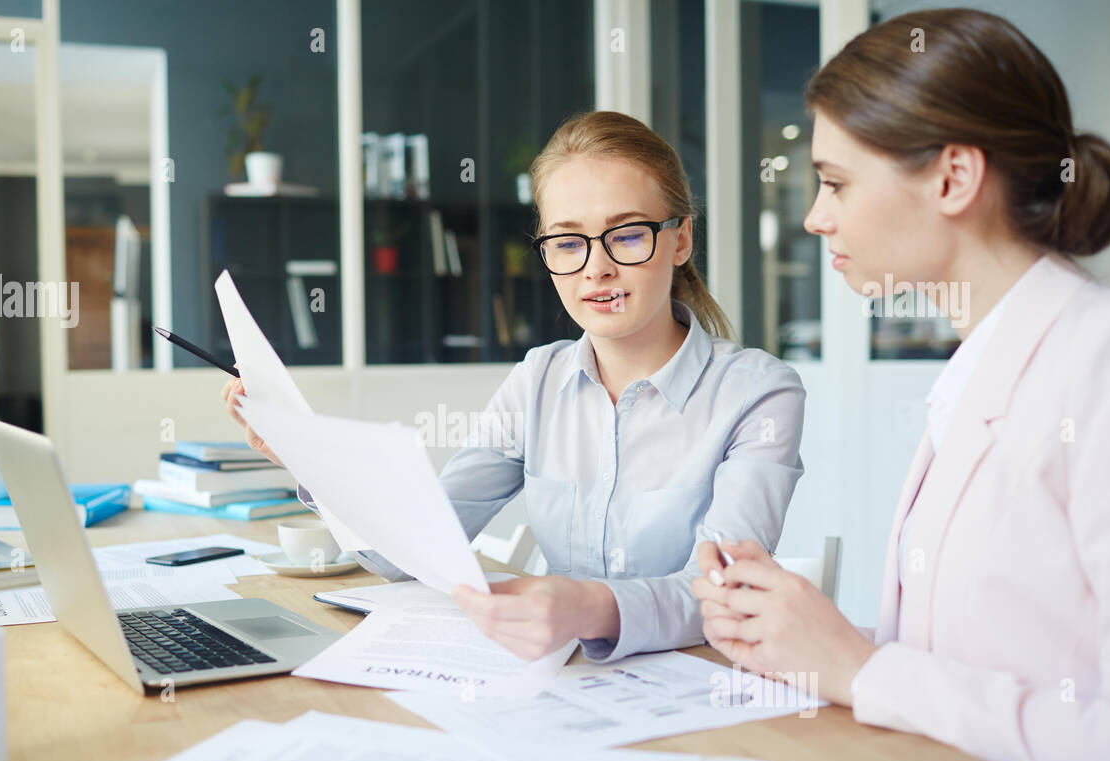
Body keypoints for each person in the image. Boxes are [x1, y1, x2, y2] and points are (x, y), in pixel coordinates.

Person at [691, 8, 1110, 761]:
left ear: (953, 178)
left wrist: (859, 668)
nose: (816, 217)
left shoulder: (1102, 364)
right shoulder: (983, 366)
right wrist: (800, 633)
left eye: (837, 182)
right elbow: (970, 660)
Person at [225, 110, 805, 664]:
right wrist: (306, 455)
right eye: (568, 242)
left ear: (680, 241)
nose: (595, 269)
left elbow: (723, 593)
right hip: (560, 680)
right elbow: (413, 550)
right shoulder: (537, 381)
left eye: (626, 236)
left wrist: (588, 608)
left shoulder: (758, 395)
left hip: (698, 698)